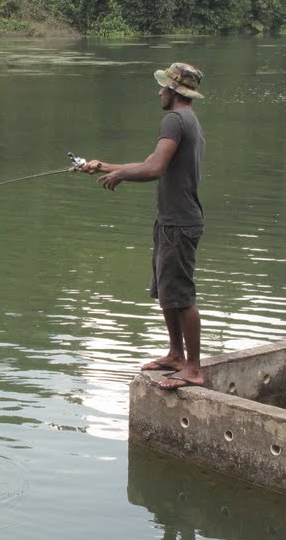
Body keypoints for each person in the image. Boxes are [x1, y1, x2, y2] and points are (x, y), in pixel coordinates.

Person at [76, 62, 207, 391]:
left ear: (174, 91)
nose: (159, 91)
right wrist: (103, 166)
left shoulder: (174, 120)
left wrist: (119, 175)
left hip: (179, 221)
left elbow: (155, 168)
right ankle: (176, 354)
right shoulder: (186, 120)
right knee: (166, 290)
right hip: (170, 220)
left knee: (182, 294)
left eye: (164, 86)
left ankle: (192, 367)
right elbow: (150, 163)